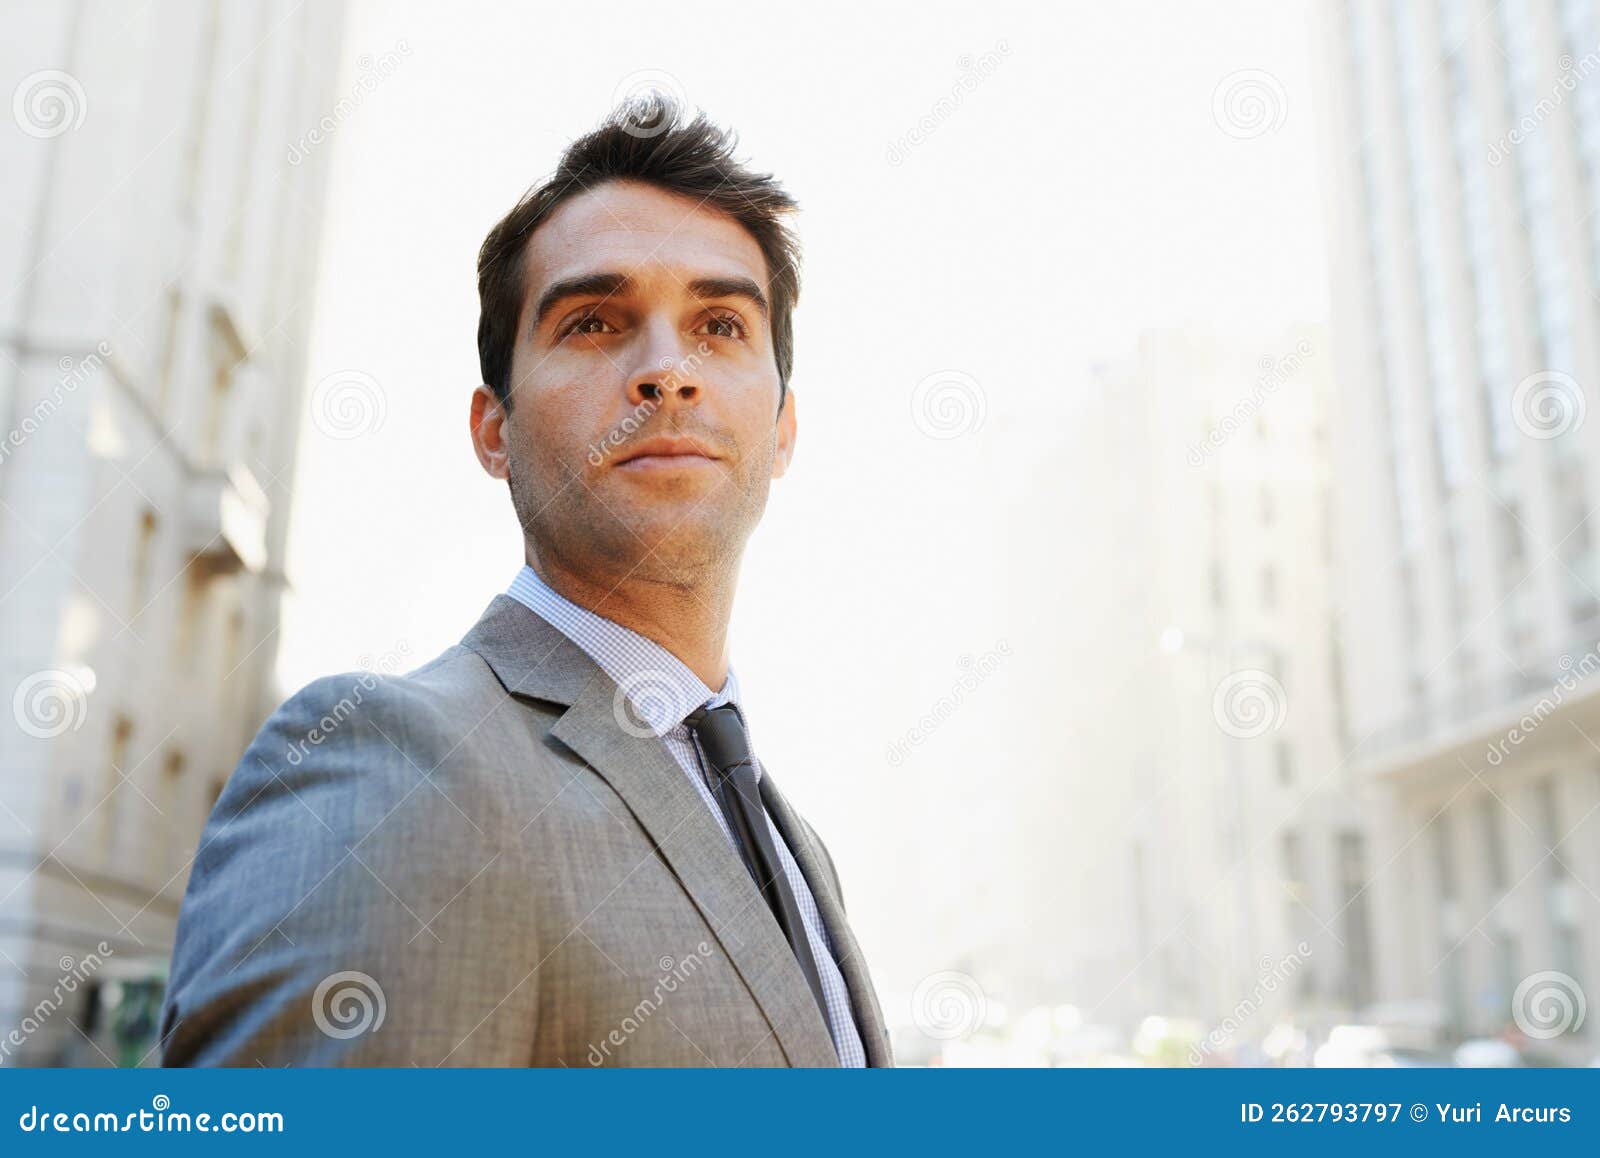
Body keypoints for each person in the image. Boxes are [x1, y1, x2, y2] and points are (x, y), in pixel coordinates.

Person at [159, 95, 893, 1067]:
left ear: (784, 427)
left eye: (719, 325)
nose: (667, 371)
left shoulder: (791, 841)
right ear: (492, 430)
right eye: (594, 321)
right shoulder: (392, 768)